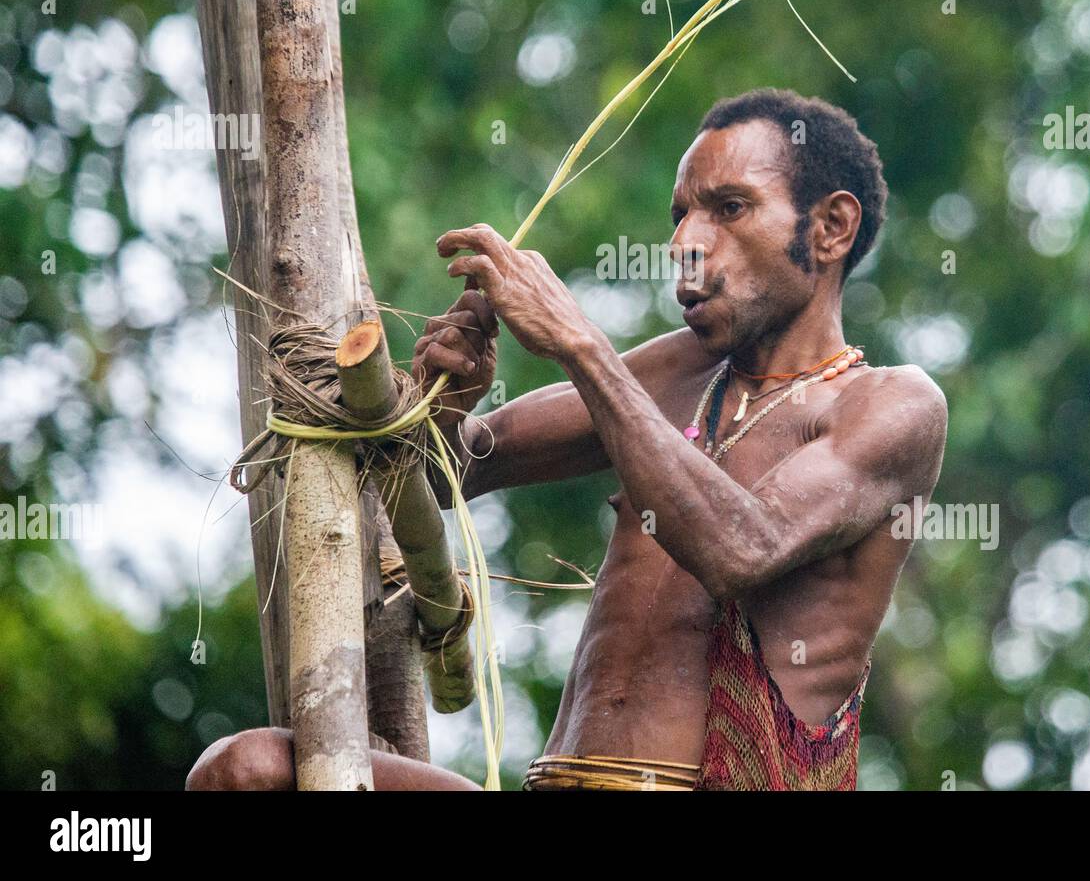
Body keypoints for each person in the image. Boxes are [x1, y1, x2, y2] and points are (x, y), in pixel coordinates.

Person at [187, 87, 948, 791]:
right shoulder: (687, 371)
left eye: (729, 207)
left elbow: (740, 546)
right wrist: (448, 400)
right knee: (245, 770)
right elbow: (451, 470)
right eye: (680, 215)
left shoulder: (891, 405)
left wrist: (580, 345)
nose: (686, 241)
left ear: (830, 227)